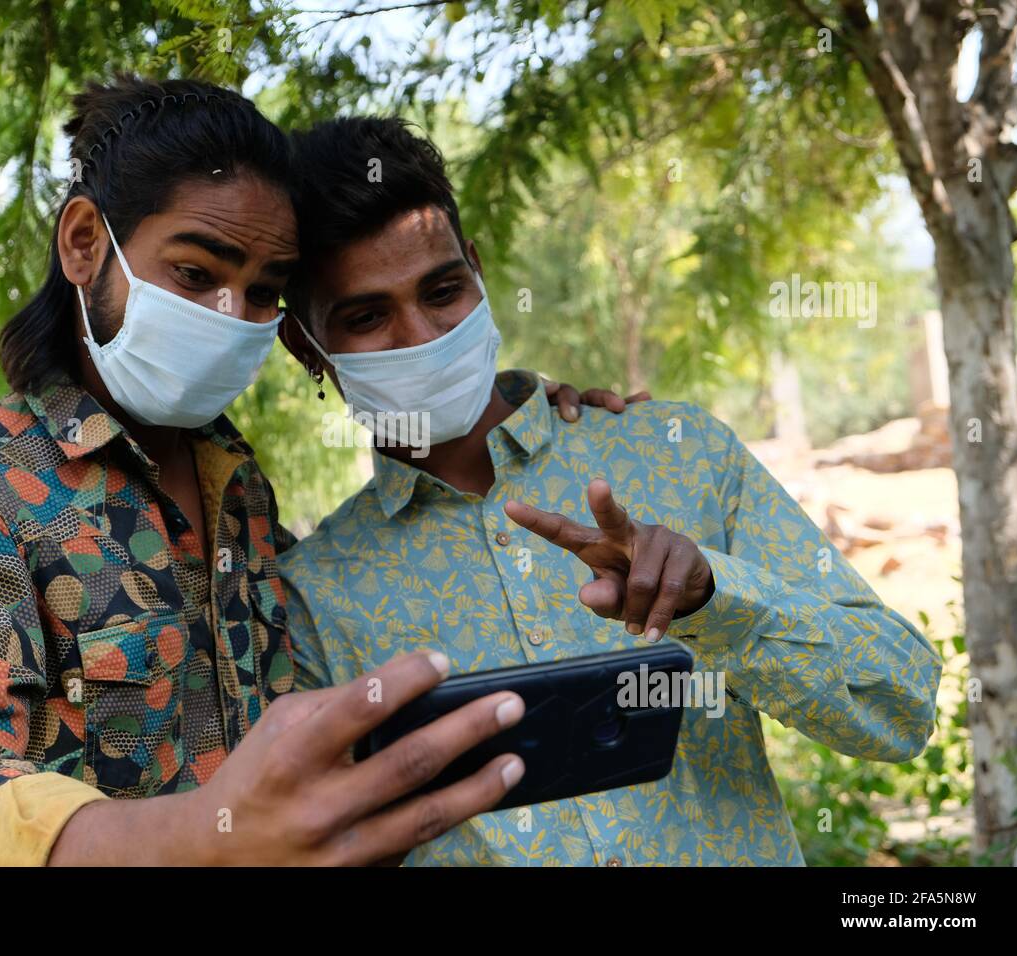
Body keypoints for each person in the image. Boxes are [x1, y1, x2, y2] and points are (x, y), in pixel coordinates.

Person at [0, 75, 635, 866]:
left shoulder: (240, 489)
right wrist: (206, 837)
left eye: (263, 292)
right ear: (86, 242)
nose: (231, 316)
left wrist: (525, 409)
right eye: (196, 274)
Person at [277, 116, 943, 866]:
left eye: (442, 290)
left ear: (477, 267)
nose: (422, 335)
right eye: (367, 317)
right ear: (305, 345)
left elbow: (901, 707)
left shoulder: (676, 453)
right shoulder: (314, 594)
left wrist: (715, 601)